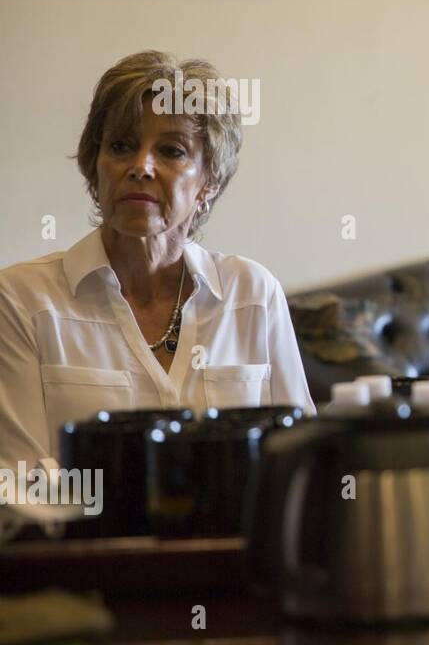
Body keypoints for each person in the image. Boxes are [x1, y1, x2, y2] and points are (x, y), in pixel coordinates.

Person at [0, 51, 315, 470]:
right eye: (121, 146)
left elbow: (301, 461)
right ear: (96, 167)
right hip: (84, 535)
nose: (140, 166)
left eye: (171, 150)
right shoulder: (23, 300)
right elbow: (20, 481)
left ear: (208, 182)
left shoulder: (252, 294)